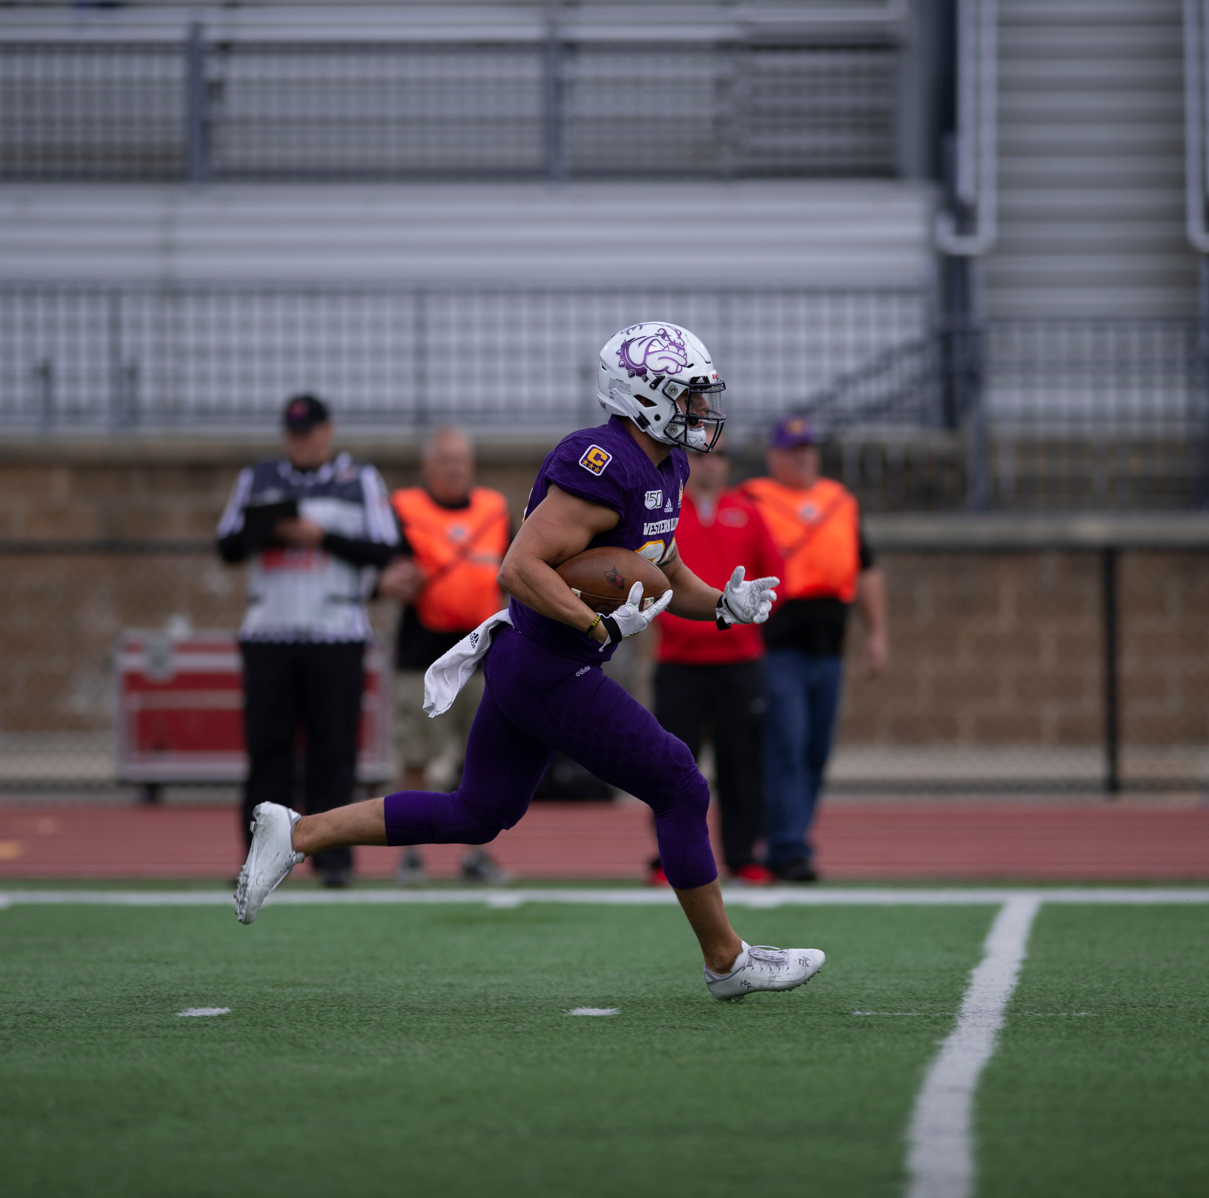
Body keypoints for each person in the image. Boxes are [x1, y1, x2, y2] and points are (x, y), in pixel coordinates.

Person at [235, 321, 825, 1001]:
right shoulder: (599, 461)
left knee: (477, 813)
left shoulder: (667, 463)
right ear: (642, 396)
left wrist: (722, 603)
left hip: (536, 663)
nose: (699, 410)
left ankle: (298, 831)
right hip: (550, 666)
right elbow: (519, 568)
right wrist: (595, 623)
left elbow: (661, 566)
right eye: (686, 396)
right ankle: (726, 960)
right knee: (680, 784)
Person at [216, 394, 405, 888]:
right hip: (269, 633)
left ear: (327, 432)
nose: (299, 442)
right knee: (268, 752)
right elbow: (227, 546)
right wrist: (269, 529)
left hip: (336, 633)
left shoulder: (360, 479)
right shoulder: (257, 477)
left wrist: (319, 536)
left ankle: (333, 861)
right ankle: (259, 860)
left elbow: (385, 547)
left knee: (334, 751)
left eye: (308, 433)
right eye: (292, 434)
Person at [740, 415, 887, 883]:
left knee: (816, 751)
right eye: (793, 449)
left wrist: (877, 633)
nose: (803, 457)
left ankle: (791, 834)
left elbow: (865, 568)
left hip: (830, 647)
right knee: (787, 742)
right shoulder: (753, 500)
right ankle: (787, 846)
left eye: (808, 448)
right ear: (773, 456)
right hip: (777, 644)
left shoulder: (839, 501)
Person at [645, 443, 783, 886]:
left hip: (739, 663)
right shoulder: (665, 512)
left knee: (741, 764)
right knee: (671, 766)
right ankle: (669, 857)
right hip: (678, 661)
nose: (709, 461)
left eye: (718, 454)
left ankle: (743, 857)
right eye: (700, 454)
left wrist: (753, 615)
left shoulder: (749, 512)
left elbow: (775, 577)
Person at [388, 427, 511, 886]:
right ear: (427, 466)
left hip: (482, 652)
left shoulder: (494, 509)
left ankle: (475, 854)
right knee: (415, 757)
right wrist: (392, 577)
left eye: (460, 459)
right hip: (422, 652)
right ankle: (410, 853)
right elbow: (383, 567)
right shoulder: (403, 509)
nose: (454, 467)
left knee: (483, 758)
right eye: (445, 459)